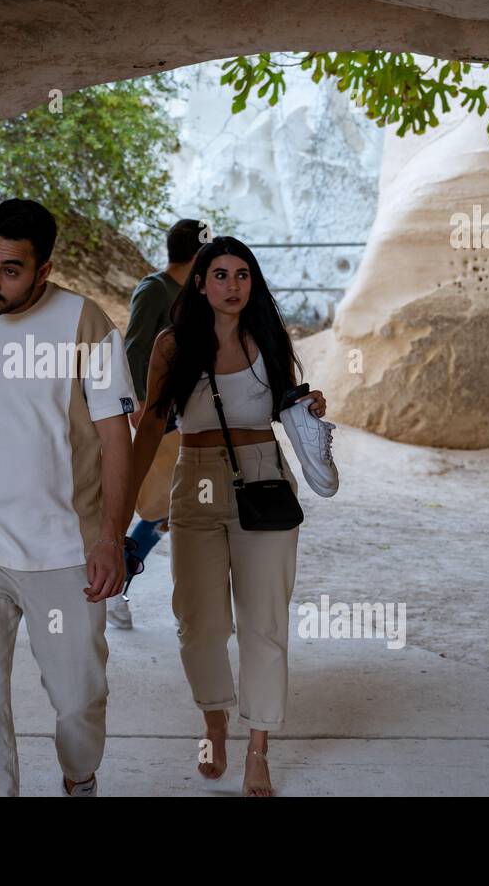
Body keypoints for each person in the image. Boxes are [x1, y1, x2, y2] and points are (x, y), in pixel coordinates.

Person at [0, 198, 138, 797]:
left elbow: (118, 438)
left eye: (10, 269)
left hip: (66, 551)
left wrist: (111, 537)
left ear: (43, 270)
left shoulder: (86, 325)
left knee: (79, 701)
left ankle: (78, 774)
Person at [129, 236, 329, 797]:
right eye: (220, 274)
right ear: (199, 283)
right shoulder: (173, 345)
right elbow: (150, 424)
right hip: (193, 476)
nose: (233, 285)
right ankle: (214, 724)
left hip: (263, 477)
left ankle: (258, 751)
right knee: (199, 622)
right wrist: (118, 501)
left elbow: (287, 407)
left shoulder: (268, 338)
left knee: (264, 622)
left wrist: (310, 408)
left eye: (243, 274)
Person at [110, 219, 205, 630]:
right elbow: (133, 345)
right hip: (160, 412)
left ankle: (201, 603)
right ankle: (116, 583)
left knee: (183, 508)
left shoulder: (195, 294)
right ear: (198, 252)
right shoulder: (154, 289)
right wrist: (139, 402)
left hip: (192, 412)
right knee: (160, 508)